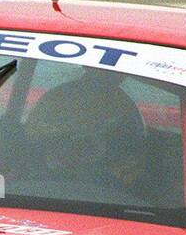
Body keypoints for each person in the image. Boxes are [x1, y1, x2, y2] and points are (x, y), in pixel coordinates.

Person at [22, 73, 153, 200]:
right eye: (67, 135)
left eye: (85, 143)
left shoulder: (118, 191)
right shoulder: (16, 181)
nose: (76, 146)